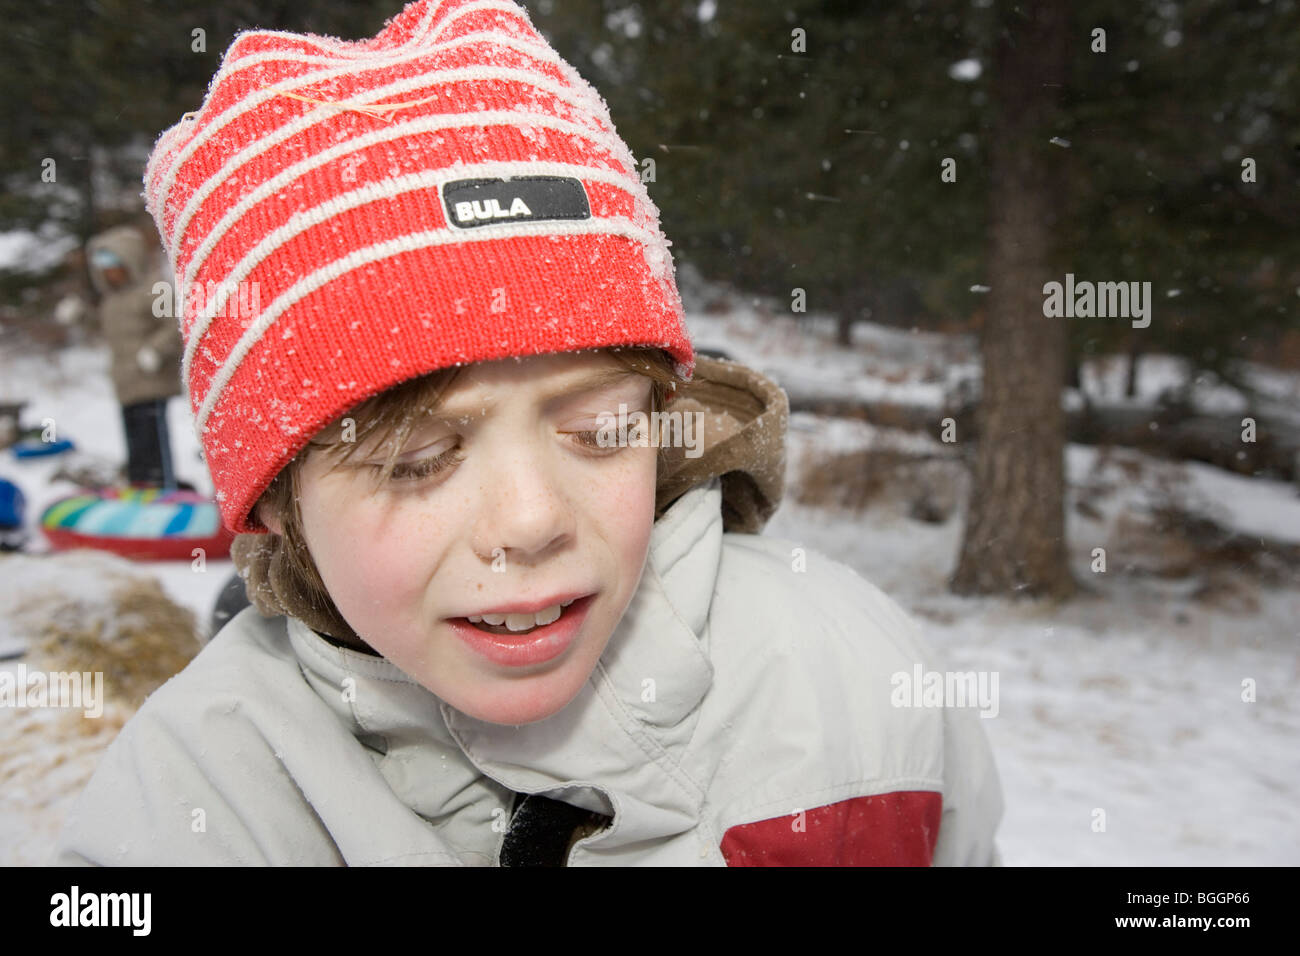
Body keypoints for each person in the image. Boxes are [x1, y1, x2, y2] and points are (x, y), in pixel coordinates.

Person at [52, 0, 1002, 866]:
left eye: (599, 430)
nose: (532, 518)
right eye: (417, 460)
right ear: (273, 494)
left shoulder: (851, 687)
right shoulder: (200, 802)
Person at [86, 224, 183, 489]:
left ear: (130, 259)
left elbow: (174, 325)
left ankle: (163, 485)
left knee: (154, 441)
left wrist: (156, 350)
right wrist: (79, 316)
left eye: (112, 262)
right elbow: (104, 332)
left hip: (151, 382)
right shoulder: (110, 302)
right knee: (135, 442)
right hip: (126, 384)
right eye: (102, 265)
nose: (108, 271)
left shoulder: (154, 289)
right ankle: (140, 485)